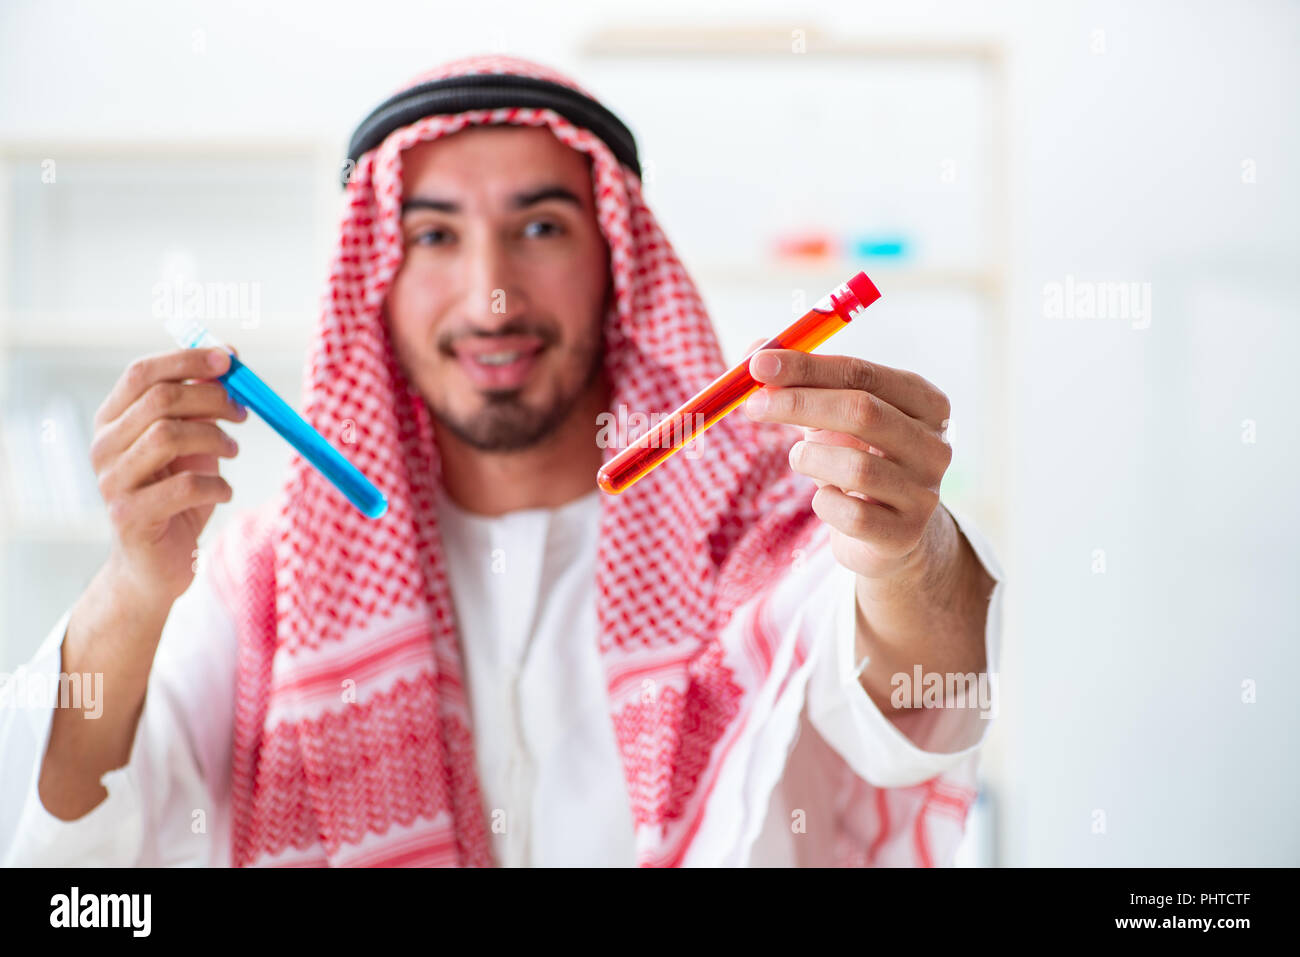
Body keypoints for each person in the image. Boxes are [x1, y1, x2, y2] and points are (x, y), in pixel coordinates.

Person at [0, 55, 1002, 867]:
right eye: (434, 235)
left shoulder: (761, 528)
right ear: (377, 281)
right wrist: (134, 582)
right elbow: (73, 837)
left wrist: (908, 552)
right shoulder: (269, 584)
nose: (491, 291)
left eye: (540, 227)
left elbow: (920, 704)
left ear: (616, 262)